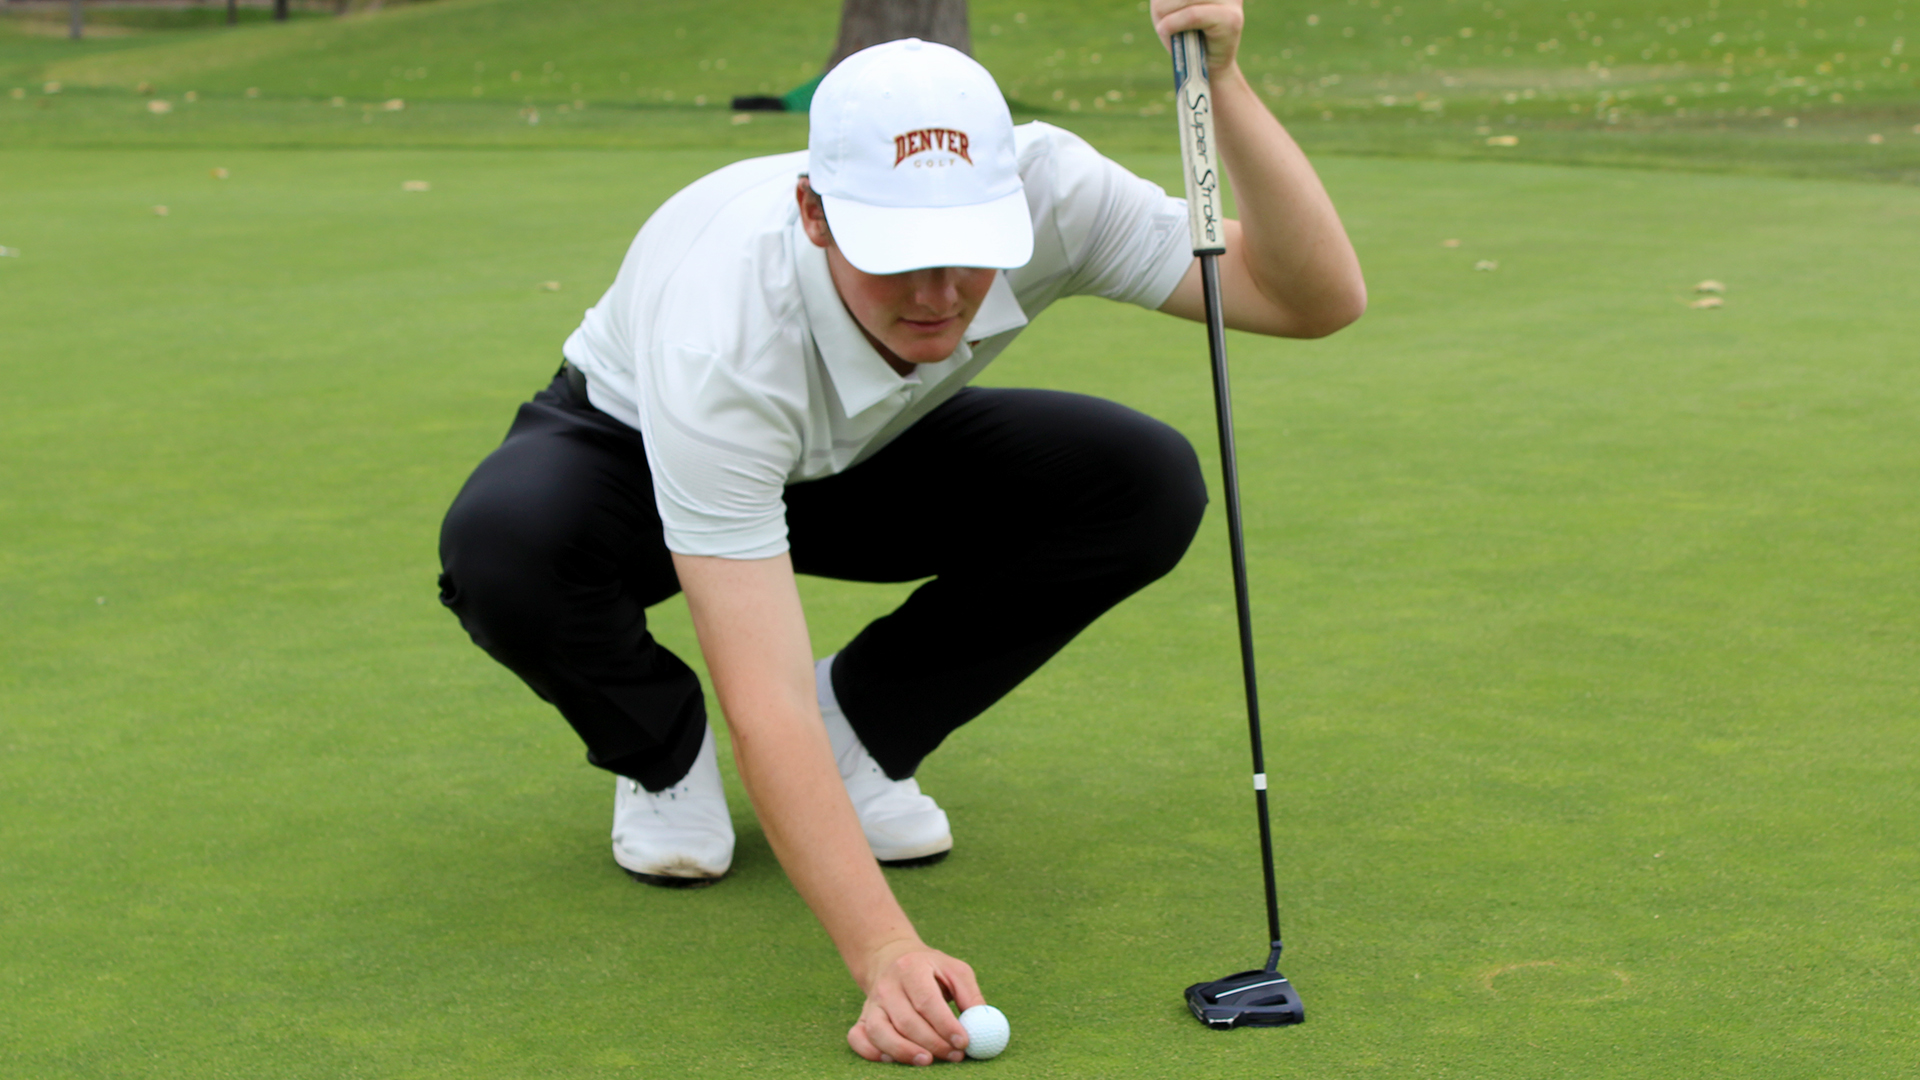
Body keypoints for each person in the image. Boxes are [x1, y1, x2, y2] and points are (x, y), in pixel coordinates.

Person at [437, 0, 1363, 1066]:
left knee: (1139, 480)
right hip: (634, 454)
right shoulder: (722, 332)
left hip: (867, 443)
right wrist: (882, 948)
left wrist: (1228, 86)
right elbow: (761, 688)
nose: (937, 293)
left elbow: (1313, 298)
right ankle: (659, 751)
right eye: (899, 252)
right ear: (817, 213)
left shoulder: (1052, 188)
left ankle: (865, 729)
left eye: (967, 251)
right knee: (506, 549)